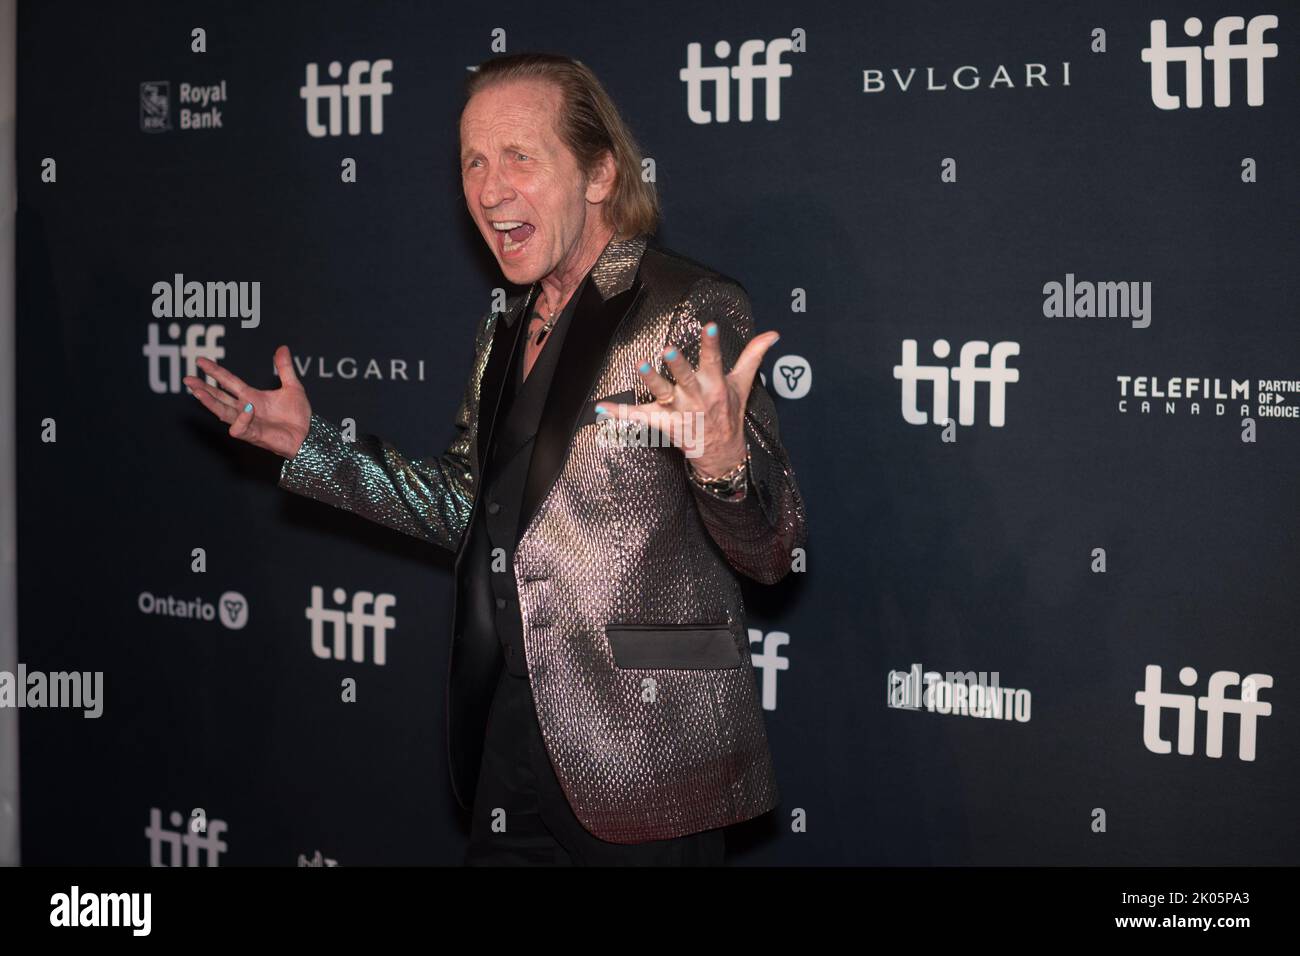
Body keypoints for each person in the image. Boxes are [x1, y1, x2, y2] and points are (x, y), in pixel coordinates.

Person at [183, 52, 807, 866]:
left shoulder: (686, 307)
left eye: (520, 156)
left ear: (598, 172)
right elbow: (469, 507)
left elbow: (773, 549)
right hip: (511, 738)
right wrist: (314, 450)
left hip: (651, 750)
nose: (487, 187)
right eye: (473, 161)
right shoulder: (506, 325)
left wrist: (724, 464)